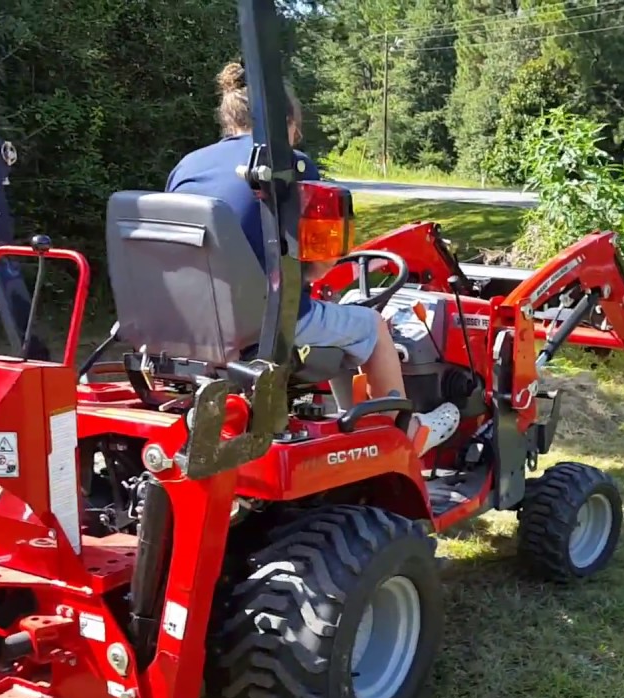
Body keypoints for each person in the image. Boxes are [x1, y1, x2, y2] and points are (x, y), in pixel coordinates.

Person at [166, 62, 460, 456]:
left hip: (193, 322)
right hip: (264, 325)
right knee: (371, 326)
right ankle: (399, 434)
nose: (296, 137)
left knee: (340, 324)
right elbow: (318, 266)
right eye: (296, 128)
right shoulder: (291, 165)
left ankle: (350, 420)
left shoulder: (187, 167)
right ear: (285, 122)